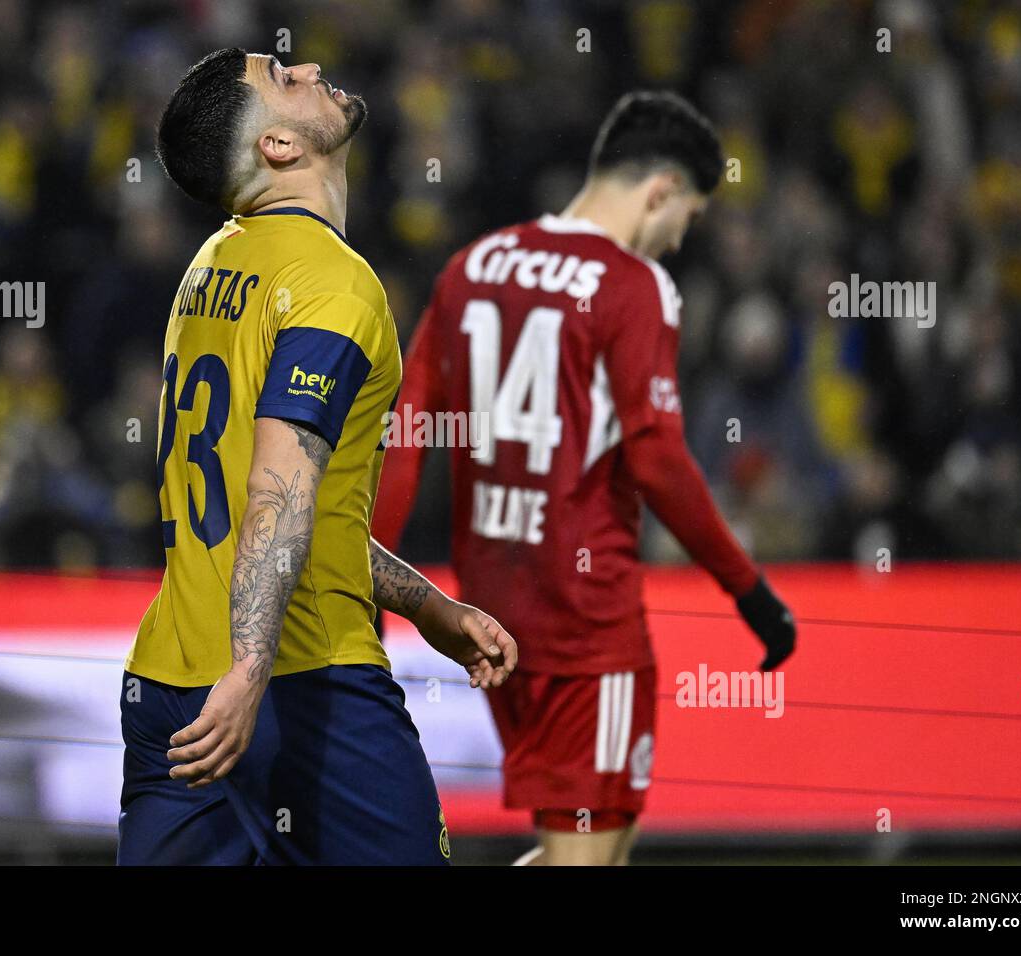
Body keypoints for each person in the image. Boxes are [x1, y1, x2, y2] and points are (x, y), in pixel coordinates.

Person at [373, 91, 795, 866]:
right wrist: (749, 589)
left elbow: (406, 434)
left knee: (601, 848)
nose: (675, 242)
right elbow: (659, 459)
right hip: (587, 628)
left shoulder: (474, 266)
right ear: (661, 190)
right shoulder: (635, 287)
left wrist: (366, 580)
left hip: (492, 620)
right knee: (587, 858)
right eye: (687, 219)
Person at [118, 48, 517, 866]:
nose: (306, 68)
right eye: (281, 78)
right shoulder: (335, 285)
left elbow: (301, 507)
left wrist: (431, 610)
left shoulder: (210, 270)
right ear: (278, 147)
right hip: (298, 683)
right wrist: (251, 672)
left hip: (168, 683)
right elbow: (277, 492)